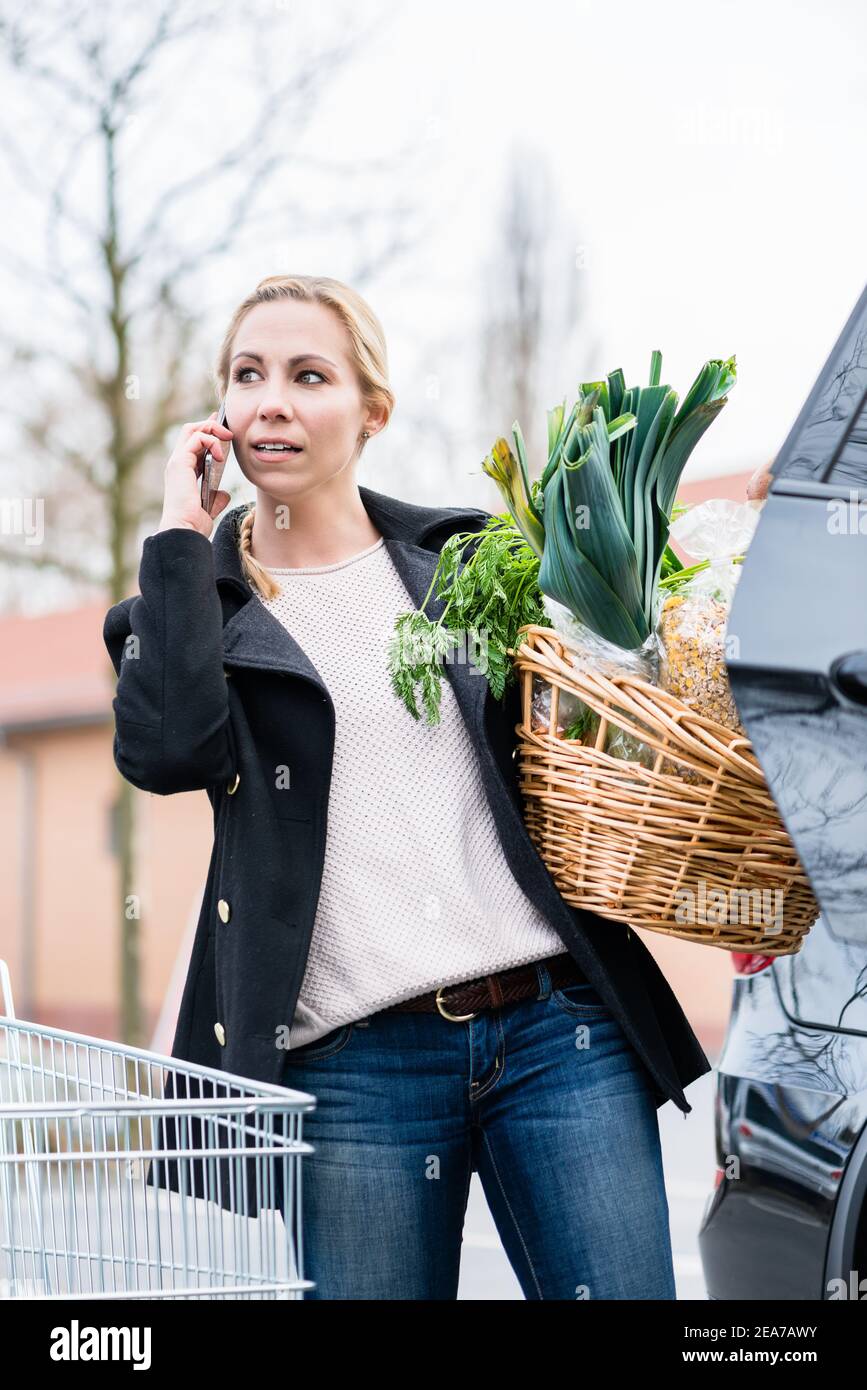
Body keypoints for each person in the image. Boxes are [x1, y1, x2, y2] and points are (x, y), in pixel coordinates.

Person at [106, 274, 714, 1300]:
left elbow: (591, 726)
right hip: (353, 1072)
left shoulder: (462, 561)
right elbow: (168, 752)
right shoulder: (191, 607)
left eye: (309, 375)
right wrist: (177, 528)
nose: (272, 401)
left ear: (372, 410)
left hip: (557, 1033)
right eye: (247, 375)